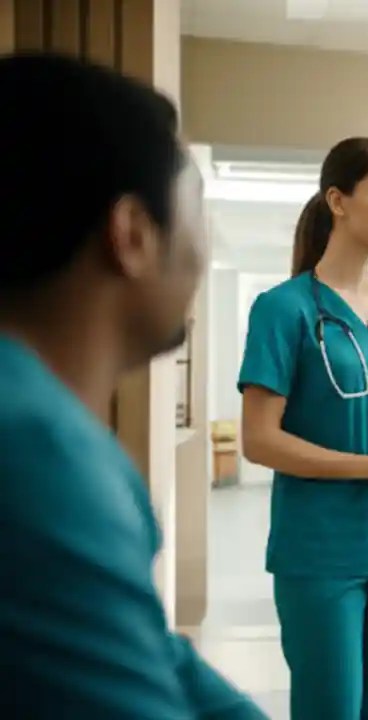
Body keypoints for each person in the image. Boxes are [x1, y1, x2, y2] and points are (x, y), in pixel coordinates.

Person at [0, 54, 263, 718]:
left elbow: (155, 652)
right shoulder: (37, 455)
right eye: (198, 214)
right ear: (133, 235)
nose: (205, 249)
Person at [238, 137, 368, 720]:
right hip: (322, 552)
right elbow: (259, 439)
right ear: (338, 200)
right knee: (330, 709)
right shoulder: (284, 309)